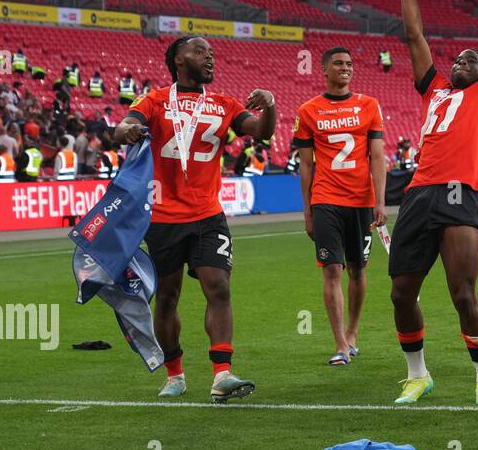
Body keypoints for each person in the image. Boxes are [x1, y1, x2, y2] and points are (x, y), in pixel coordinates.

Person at [113, 35, 276, 403]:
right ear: (178, 60)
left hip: (208, 215)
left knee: (218, 286)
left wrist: (270, 105)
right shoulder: (154, 100)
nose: (209, 58)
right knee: (167, 298)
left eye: (212, 53)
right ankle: (175, 374)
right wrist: (132, 131)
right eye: (200, 52)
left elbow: (262, 132)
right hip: (164, 218)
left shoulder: (224, 104)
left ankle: (222, 374)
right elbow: (121, 127)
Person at [387, 0, 478, 408]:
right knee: (402, 293)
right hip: (419, 194)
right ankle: (418, 375)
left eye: (470, 59)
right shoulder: (435, 90)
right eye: (457, 59)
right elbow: (414, 35)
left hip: (461, 193)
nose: (461, 61)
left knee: (462, 292)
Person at [294, 47, 387, 366]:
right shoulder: (308, 110)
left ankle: (352, 333)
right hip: (326, 200)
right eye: (338, 63)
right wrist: (307, 211)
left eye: (349, 63)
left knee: (358, 270)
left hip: (360, 202)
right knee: (332, 270)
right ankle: (339, 346)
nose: (345, 68)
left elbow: (377, 156)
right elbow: (306, 165)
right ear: (324, 70)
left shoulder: (369, 106)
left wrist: (379, 200)